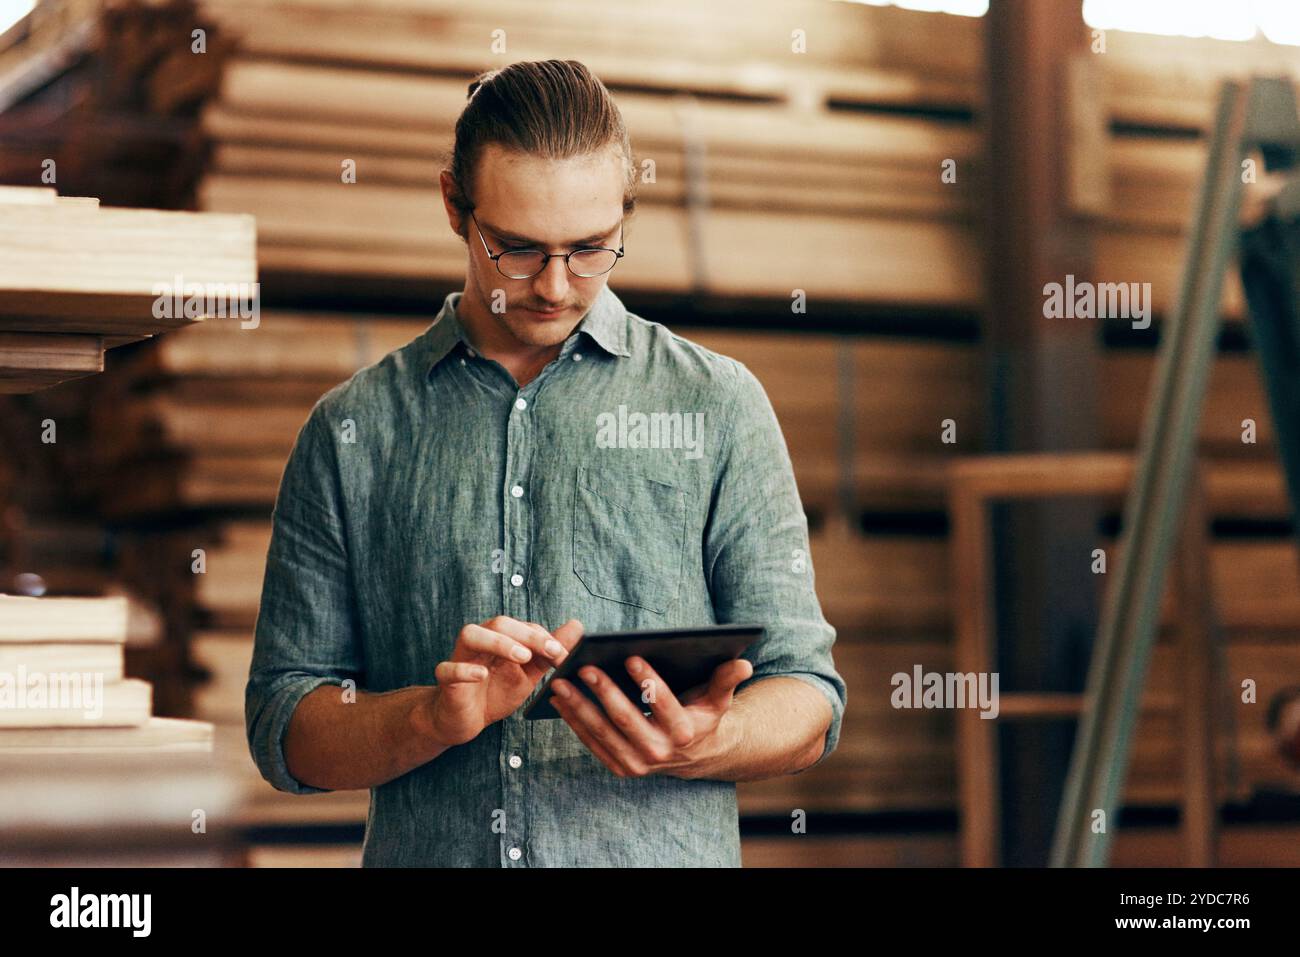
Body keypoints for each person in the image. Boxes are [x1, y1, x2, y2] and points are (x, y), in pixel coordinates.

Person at [246, 59, 846, 867]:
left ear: (626, 215)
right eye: (519, 250)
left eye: (592, 249)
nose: (557, 287)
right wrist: (433, 717)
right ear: (455, 208)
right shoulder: (354, 430)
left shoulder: (719, 406)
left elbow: (808, 693)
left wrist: (707, 737)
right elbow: (284, 723)